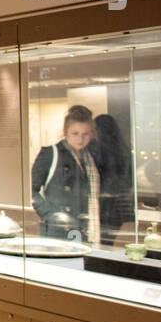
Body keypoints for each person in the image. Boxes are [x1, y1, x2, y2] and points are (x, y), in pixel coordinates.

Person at [30, 105, 99, 243]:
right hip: (59, 229)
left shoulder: (91, 158)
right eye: (75, 133)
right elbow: (30, 190)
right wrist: (51, 215)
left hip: (85, 227)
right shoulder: (51, 154)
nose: (80, 139)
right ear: (65, 132)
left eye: (85, 134)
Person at [93, 113, 133, 247]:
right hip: (120, 204)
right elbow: (129, 180)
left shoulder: (97, 151)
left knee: (99, 240)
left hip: (103, 202)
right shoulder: (124, 150)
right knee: (107, 241)